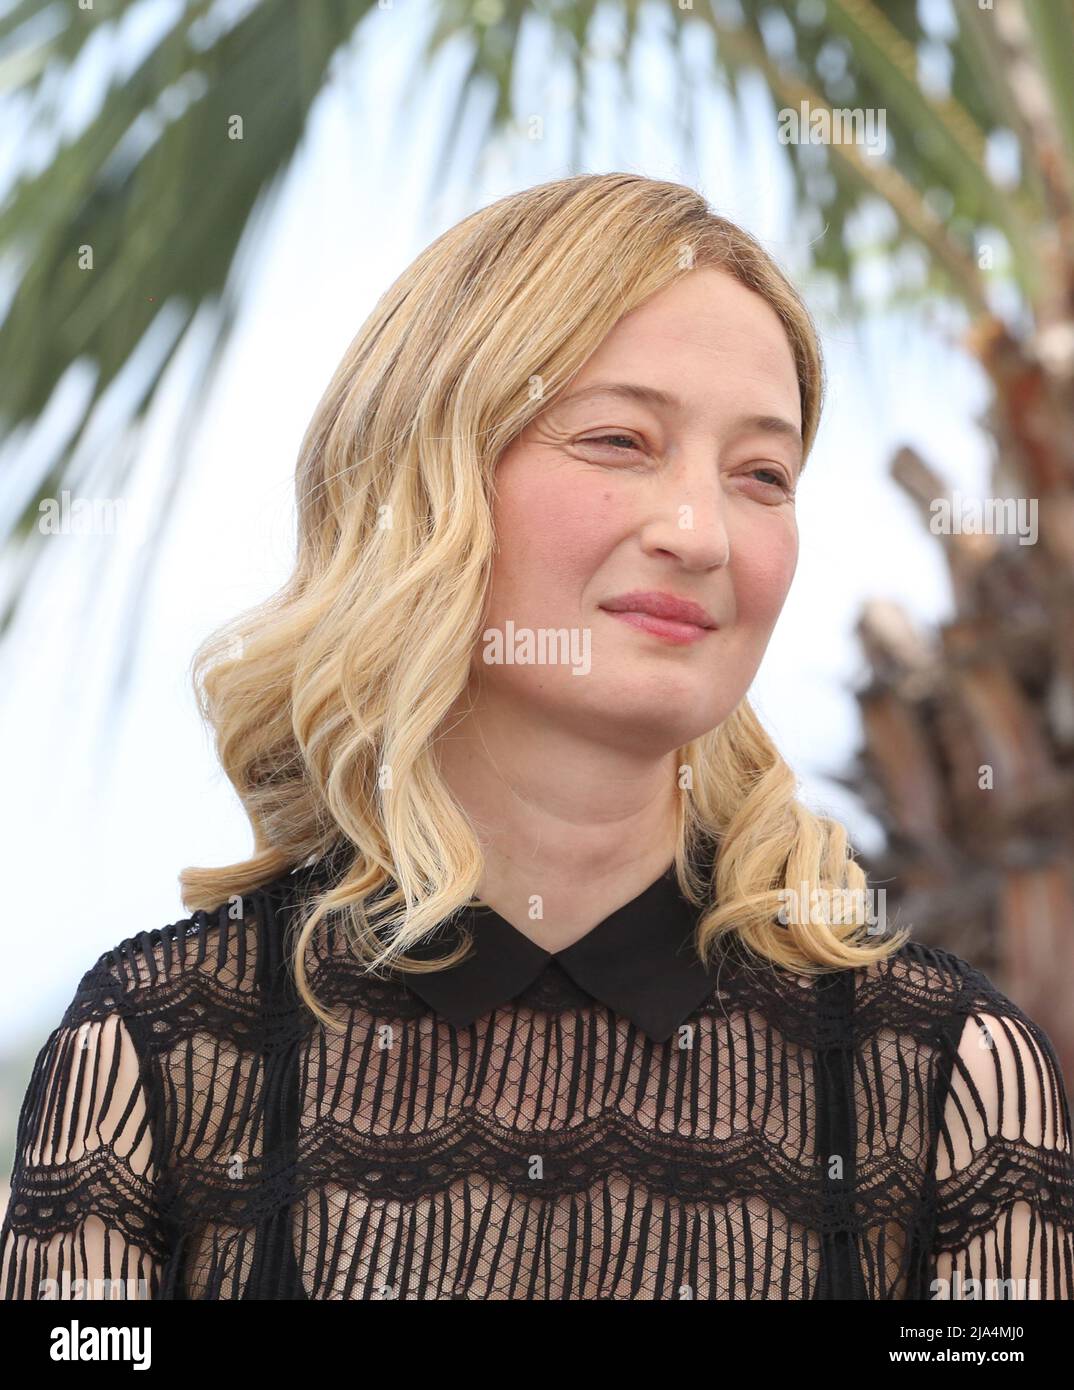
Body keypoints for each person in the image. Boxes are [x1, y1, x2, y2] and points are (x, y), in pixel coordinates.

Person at [2, 173, 1071, 1301]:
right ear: (427, 480)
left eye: (764, 473)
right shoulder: (164, 1059)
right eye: (619, 440)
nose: (702, 533)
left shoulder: (949, 1083)